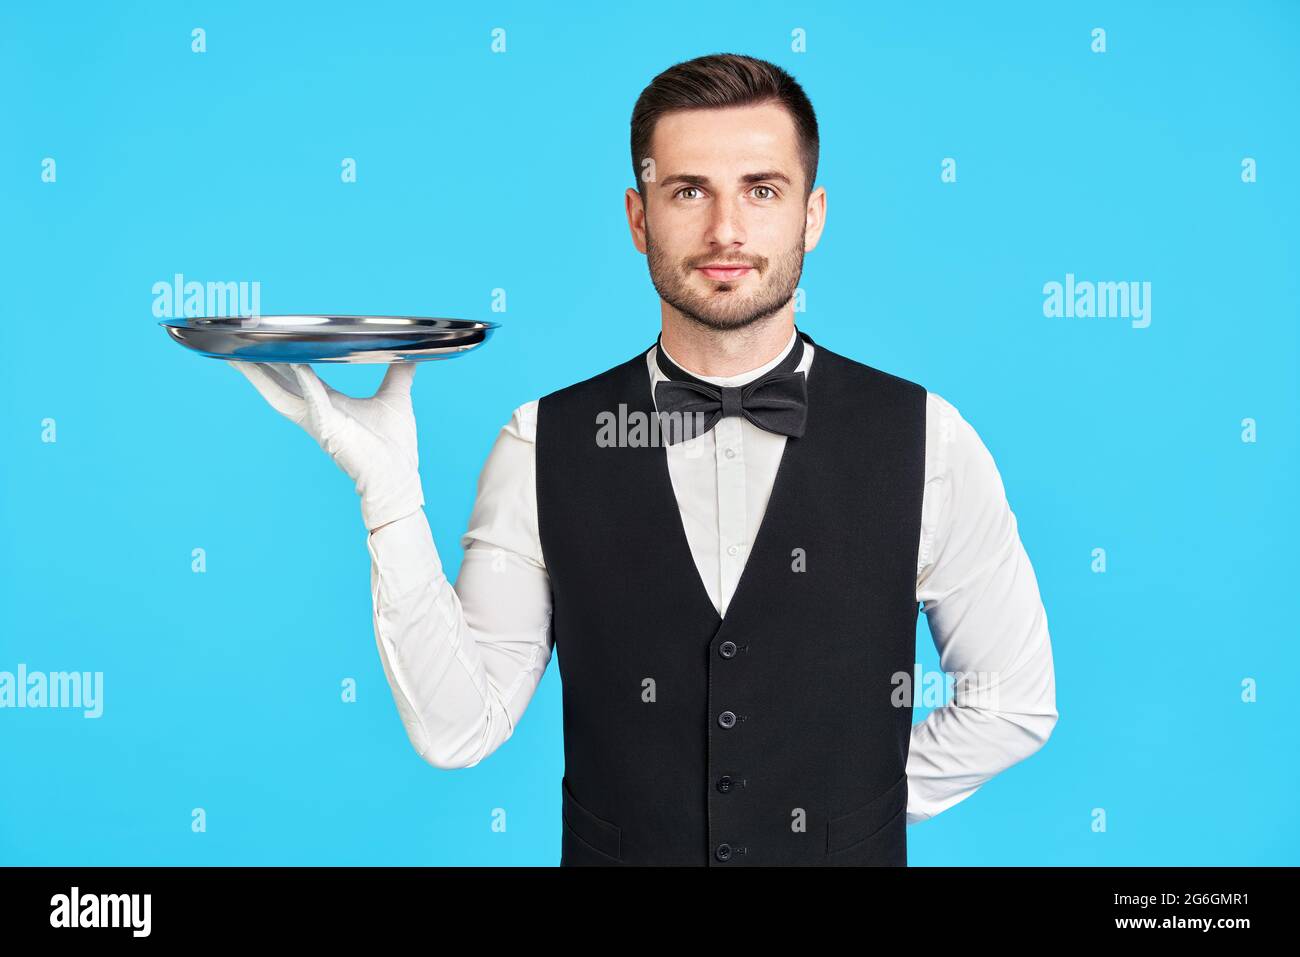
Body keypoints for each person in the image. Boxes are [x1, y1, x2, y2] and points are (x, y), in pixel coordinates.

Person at [232, 53, 1058, 867]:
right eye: (688, 190)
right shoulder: (539, 442)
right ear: (638, 217)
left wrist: (853, 806)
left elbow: (1013, 700)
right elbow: (459, 728)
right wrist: (389, 493)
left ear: (812, 216)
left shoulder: (928, 438)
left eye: (761, 190)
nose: (725, 230)